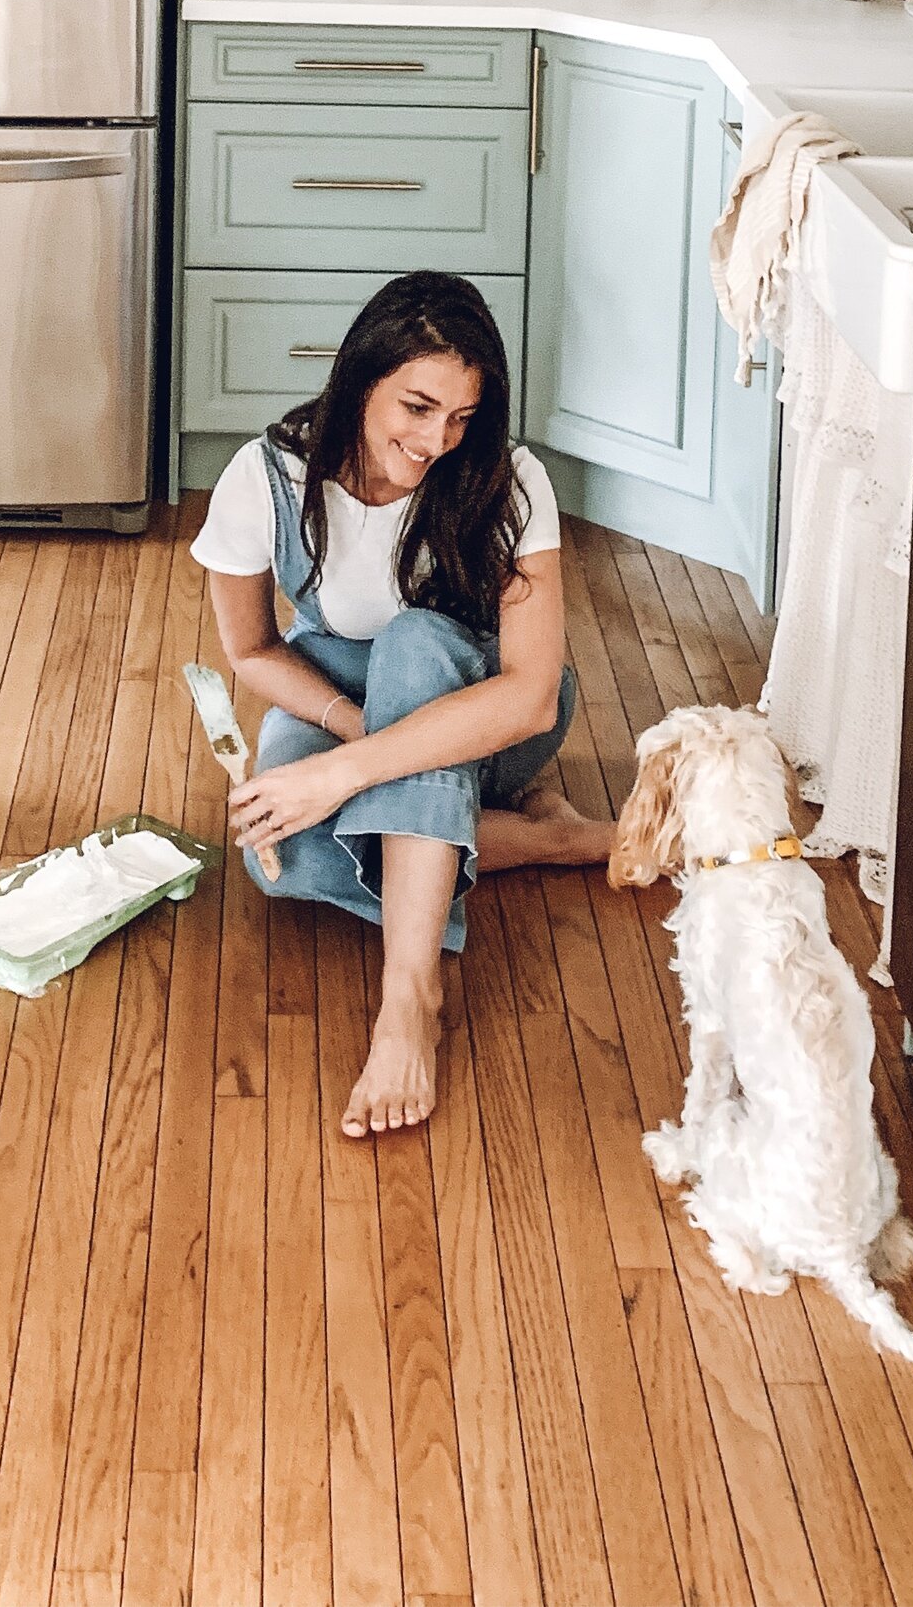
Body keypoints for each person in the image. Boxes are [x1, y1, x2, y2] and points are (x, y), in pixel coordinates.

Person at [190, 268, 612, 1138]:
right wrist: (346, 733)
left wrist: (343, 774)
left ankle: (410, 999)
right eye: (417, 407)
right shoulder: (265, 476)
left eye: (460, 417)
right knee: (285, 860)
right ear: (361, 380)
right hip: (338, 697)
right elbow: (251, 650)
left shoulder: (509, 478)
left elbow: (532, 697)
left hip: (485, 717)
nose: (437, 441)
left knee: (417, 642)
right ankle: (552, 839)